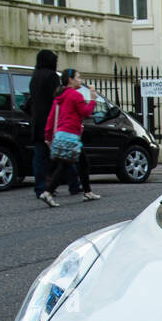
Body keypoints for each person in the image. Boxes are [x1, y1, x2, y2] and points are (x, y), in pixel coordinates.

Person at [42, 69, 100, 205]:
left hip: (61, 134)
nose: (80, 80)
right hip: (71, 135)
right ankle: (48, 192)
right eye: (78, 77)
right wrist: (92, 100)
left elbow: (51, 117)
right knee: (65, 164)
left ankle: (87, 192)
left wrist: (48, 136)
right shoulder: (75, 95)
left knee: (83, 162)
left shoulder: (60, 96)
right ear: (70, 80)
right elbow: (85, 112)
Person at [28, 49, 58, 201]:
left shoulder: (34, 77)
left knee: (39, 157)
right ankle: (68, 184)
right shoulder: (51, 76)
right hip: (50, 121)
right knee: (58, 155)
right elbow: (56, 99)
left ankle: (41, 186)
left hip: (37, 122)